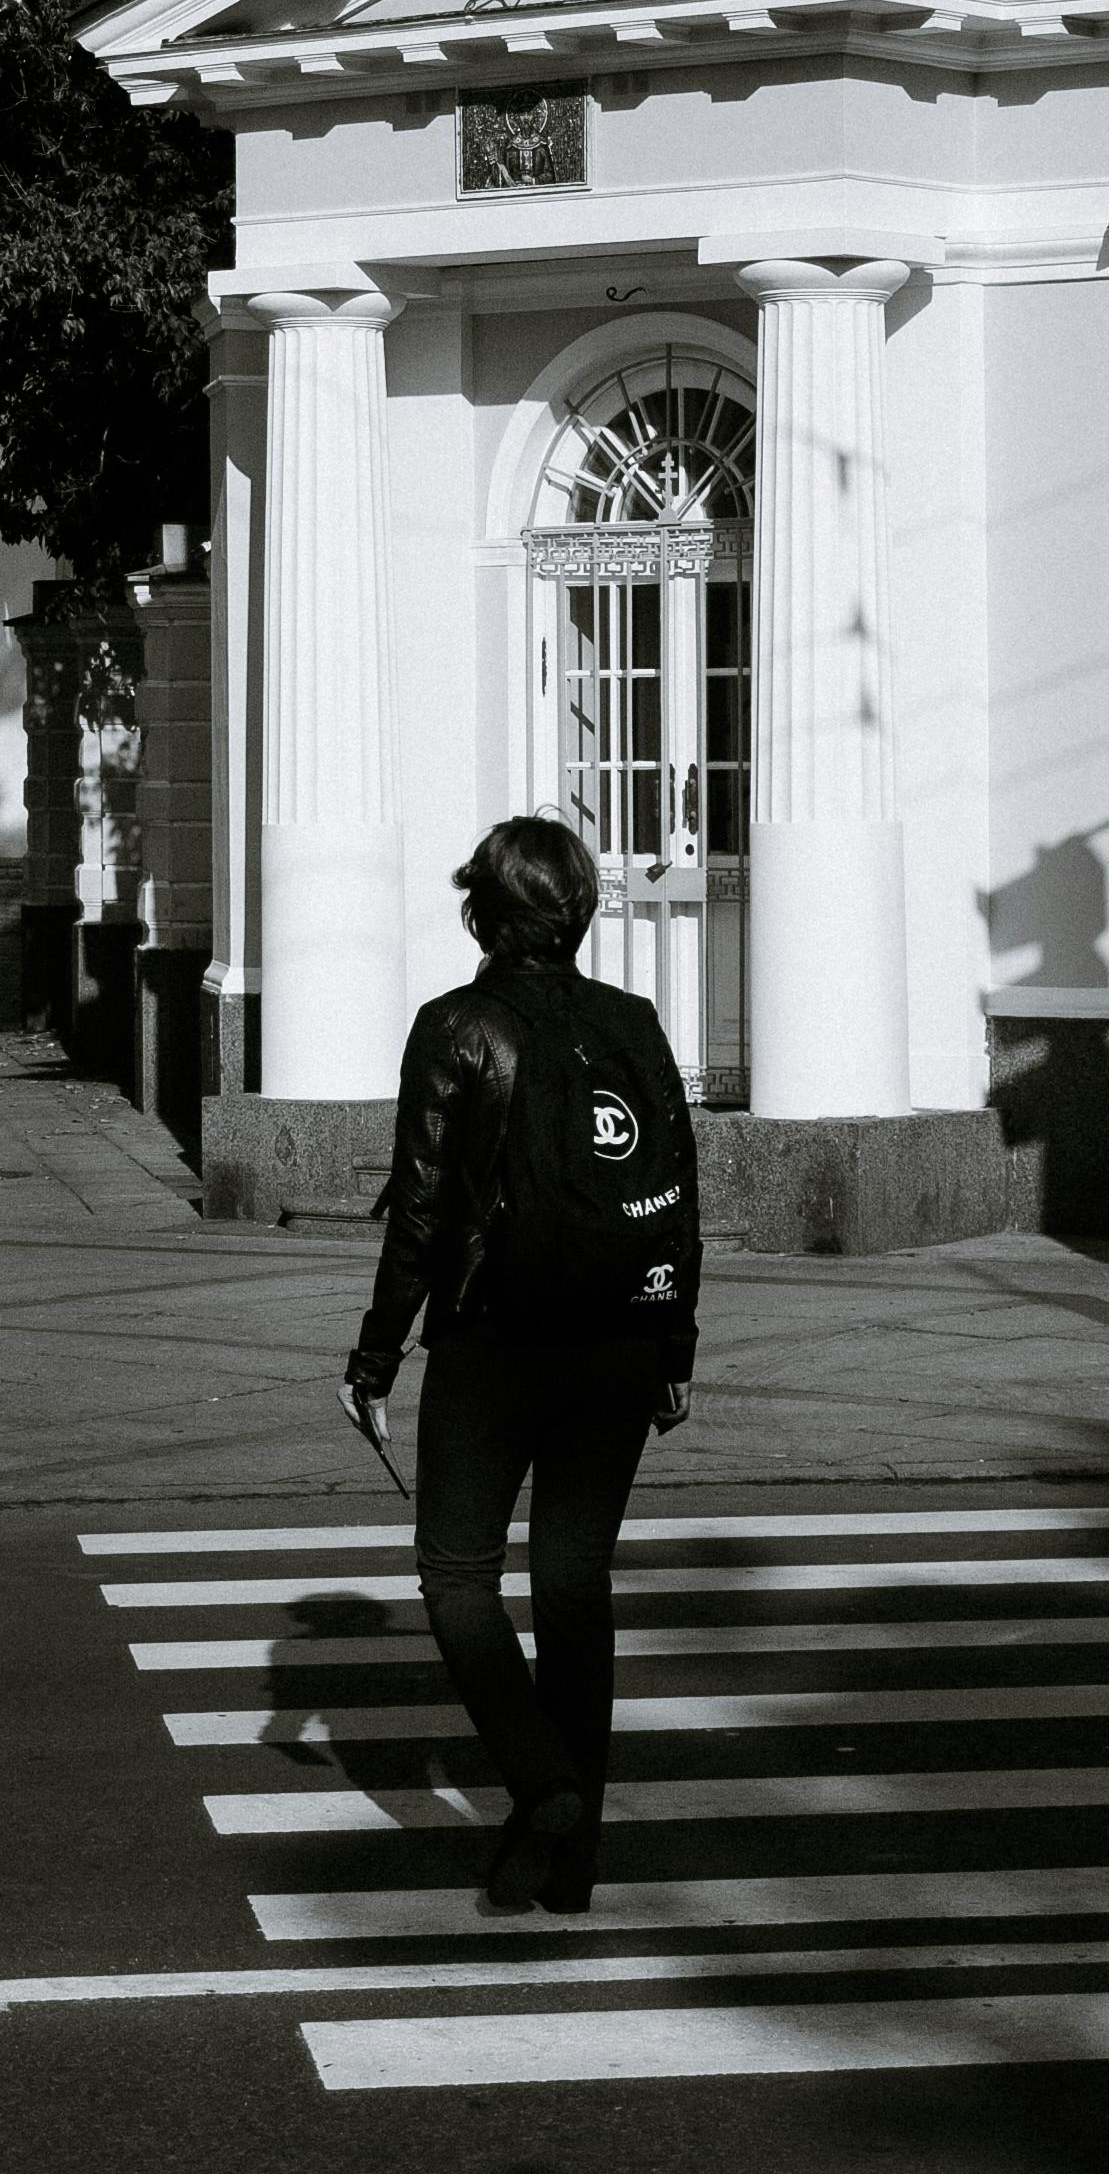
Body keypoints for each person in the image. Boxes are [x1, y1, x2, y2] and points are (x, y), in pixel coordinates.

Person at [339, 816, 701, 1917]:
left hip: (495, 1336)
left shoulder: (454, 1027)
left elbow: (422, 1209)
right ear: (581, 910)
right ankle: (572, 1854)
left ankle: (544, 1787)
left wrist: (375, 1355)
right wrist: (674, 1343)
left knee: (457, 1576)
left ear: (482, 912)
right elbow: (679, 1188)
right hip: (619, 1338)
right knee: (574, 1580)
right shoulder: (632, 1021)